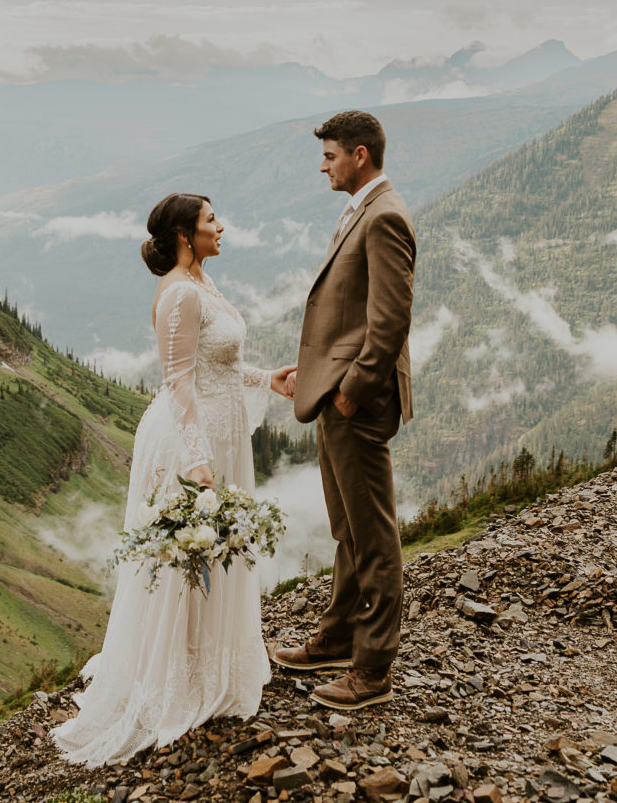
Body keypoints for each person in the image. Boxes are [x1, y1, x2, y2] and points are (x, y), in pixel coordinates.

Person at [52, 192, 296, 766]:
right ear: (186, 234)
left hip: (220, 435)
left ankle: (203, 663)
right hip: (192, 440)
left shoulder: (202, 283)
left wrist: (269, 381)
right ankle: (171, 680)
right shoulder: (182, 292)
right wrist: (195, 460)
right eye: (212, 220)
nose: (222, 227)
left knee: (211, 553)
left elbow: (222, 366)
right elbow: (180, 381)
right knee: (186, 555)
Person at [269, 110, 415, 711]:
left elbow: (388, 320)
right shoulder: (364, 209)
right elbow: (351, 312)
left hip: (357, 401)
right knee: (346, 527)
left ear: (359, 154)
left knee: (372, 533)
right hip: (335, 393)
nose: (322, 165)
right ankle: (337, 635)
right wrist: (324, 374)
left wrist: (352, 387)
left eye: (329, 155)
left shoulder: (384, 217)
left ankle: (373, 669)